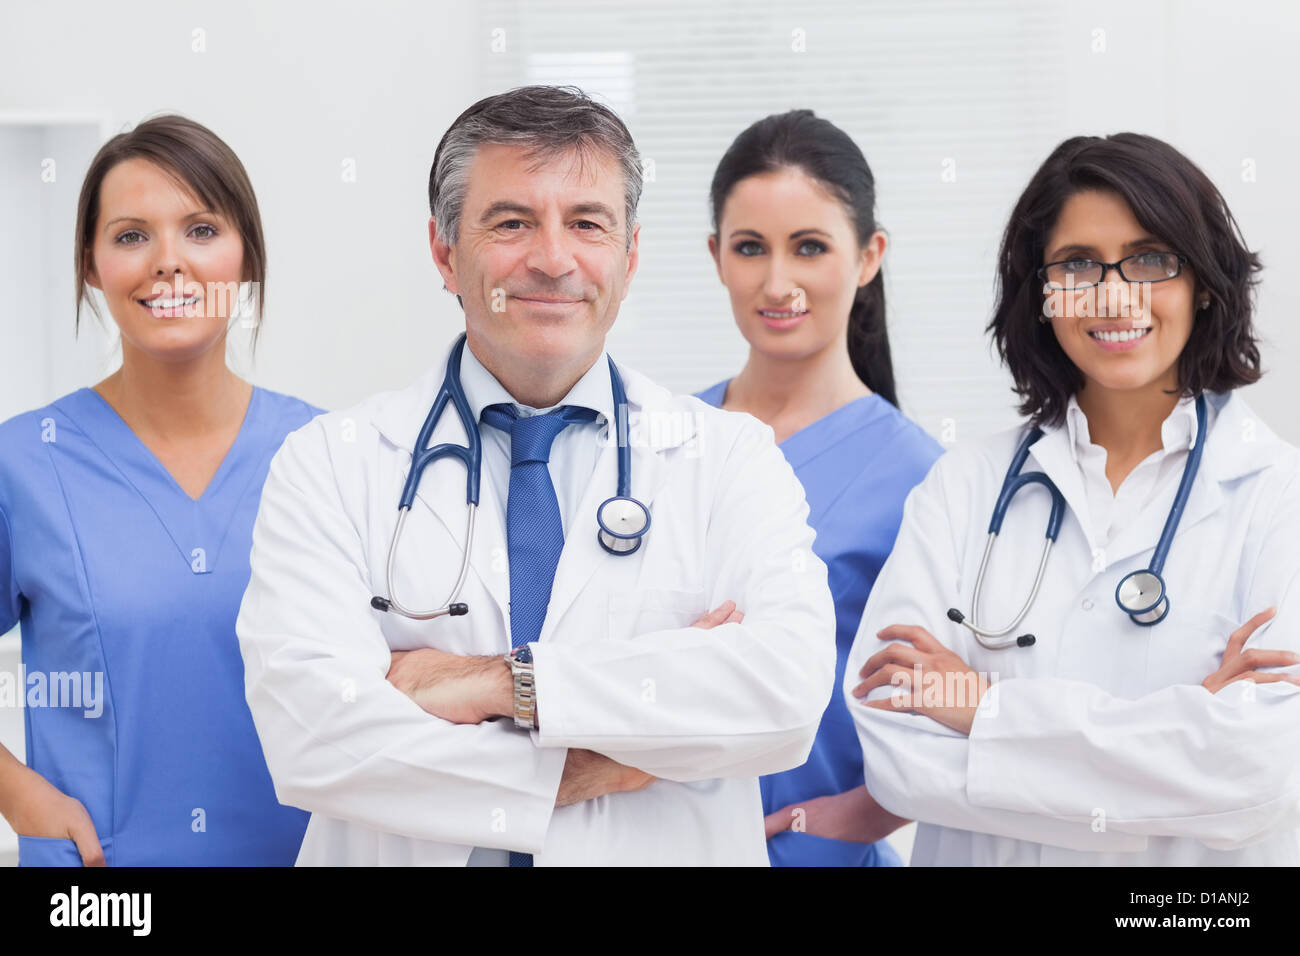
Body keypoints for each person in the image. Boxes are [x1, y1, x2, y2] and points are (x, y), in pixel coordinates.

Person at [234, 85, 836, 866]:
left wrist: (496, 684)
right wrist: (604, 757)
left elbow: (783, 695)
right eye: (512, 222)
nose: (553, 260)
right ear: (446, 252)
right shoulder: (331, 462)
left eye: (587, 224)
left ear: (630, 256)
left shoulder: (730, 459)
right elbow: (314, 738)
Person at [844, 131, 1300, 865]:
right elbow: (899, 761)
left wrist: (984, 711)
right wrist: (1181, 754)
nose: (1114, 294)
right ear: (1042, 294)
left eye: (1151, 259)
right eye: (1078, 264)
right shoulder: (963, 488)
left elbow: (1263, 773)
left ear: (1204, 284)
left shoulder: (1279, 496)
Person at [0, 115, 320, 866]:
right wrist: (22, 798)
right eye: (131, 235)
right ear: (91, 264)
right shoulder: (24, 463)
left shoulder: (324, 457)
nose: (168, 263)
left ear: (245, 257)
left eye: (201, 229)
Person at [696, 110, 939, 866]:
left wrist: (867, 813)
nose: (778, 283)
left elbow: (965, 696)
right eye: (749, 248)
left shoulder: (923, 478)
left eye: (809, 248)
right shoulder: (657, 442)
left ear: (869, 256)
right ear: (716, 257)